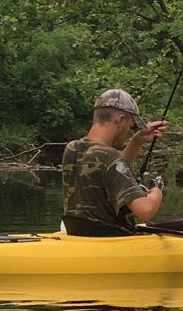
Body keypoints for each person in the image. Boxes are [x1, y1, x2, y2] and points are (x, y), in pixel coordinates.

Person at [60, 89, 170, 236]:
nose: (128, 133)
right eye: (130, 127)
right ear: (120, 119)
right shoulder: (109, 156)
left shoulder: (72, 148)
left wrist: (138, 140)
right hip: (112, 238)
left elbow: (108, 166)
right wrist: (156, 191)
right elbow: (145, 210)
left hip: (80, 236)